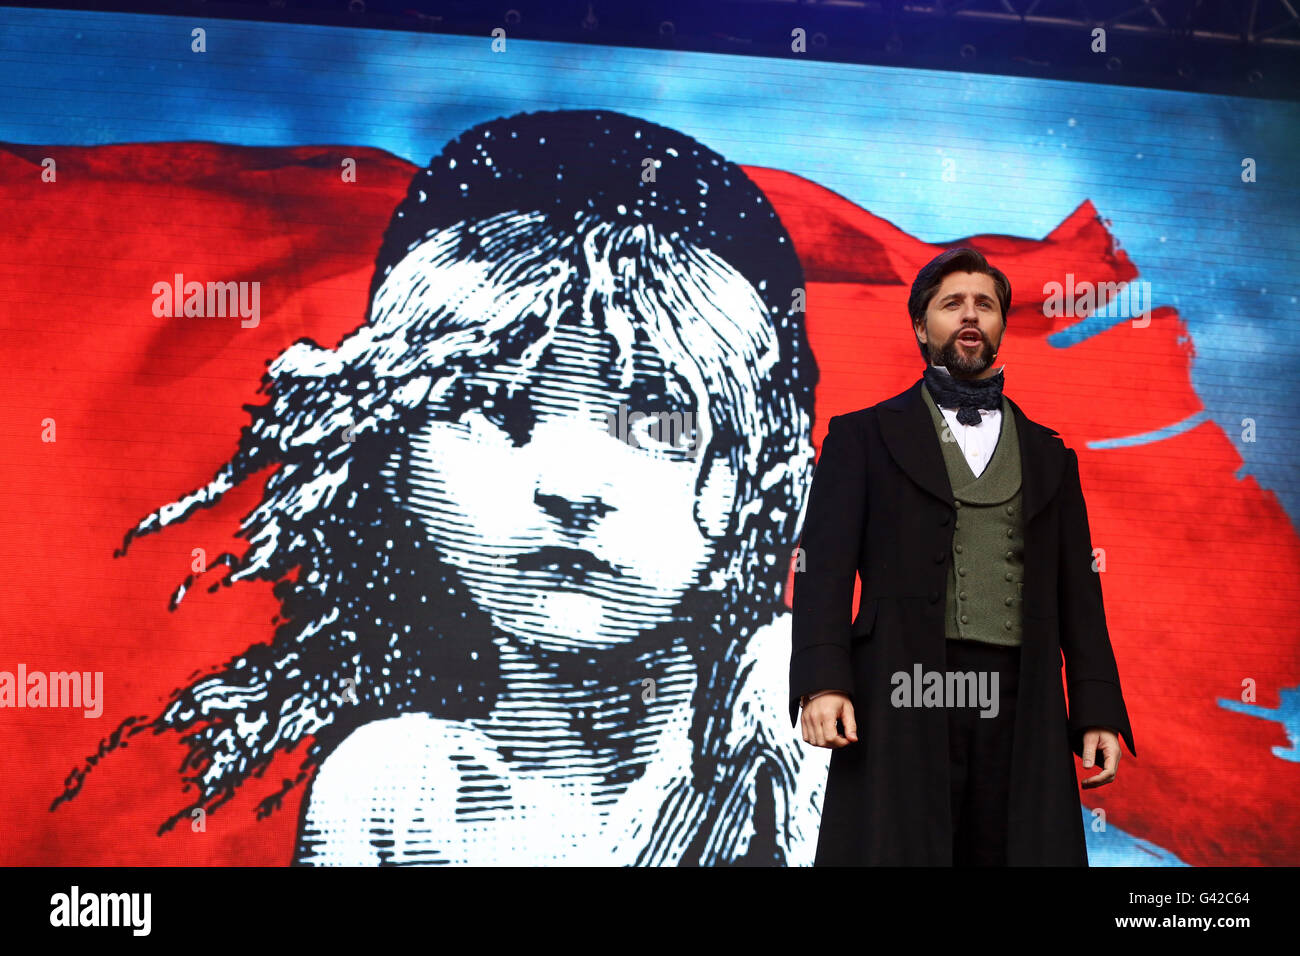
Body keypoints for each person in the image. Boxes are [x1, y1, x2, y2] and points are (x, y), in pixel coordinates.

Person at [789, 247, 1136, 865]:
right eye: (952, 304)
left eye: (986, 305)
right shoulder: (861, 437)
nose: (970, 315)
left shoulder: (1051, 455)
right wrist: (821, 684)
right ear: (922, 327)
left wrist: (1096, 709)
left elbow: (1080, 595)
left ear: (1002, 326)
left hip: (1018, 695)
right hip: (900, 686)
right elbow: (824, 572)